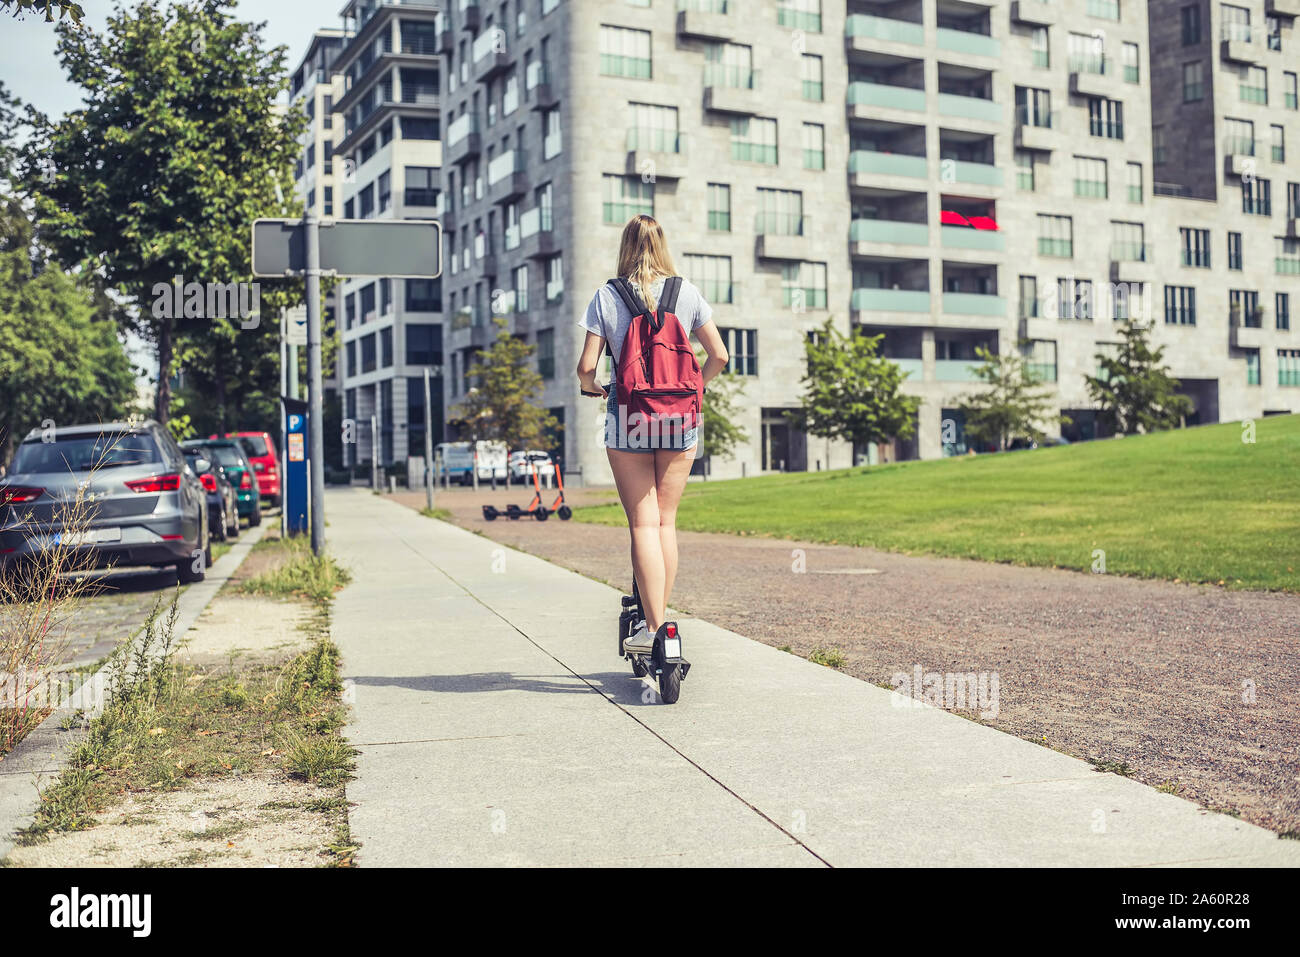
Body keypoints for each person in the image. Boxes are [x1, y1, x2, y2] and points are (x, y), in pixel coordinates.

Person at [576, 215, 728, 650]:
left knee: (643, 527)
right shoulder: (687, 292)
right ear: (663, 246)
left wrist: (595, 388)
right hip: (681, 419)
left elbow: (587, 368)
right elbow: (718, 355)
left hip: (628, 416)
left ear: (626, 247)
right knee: (666, 524)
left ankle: (654, 629)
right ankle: (665, 624)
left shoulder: (607, 296)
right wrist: (691, 389)